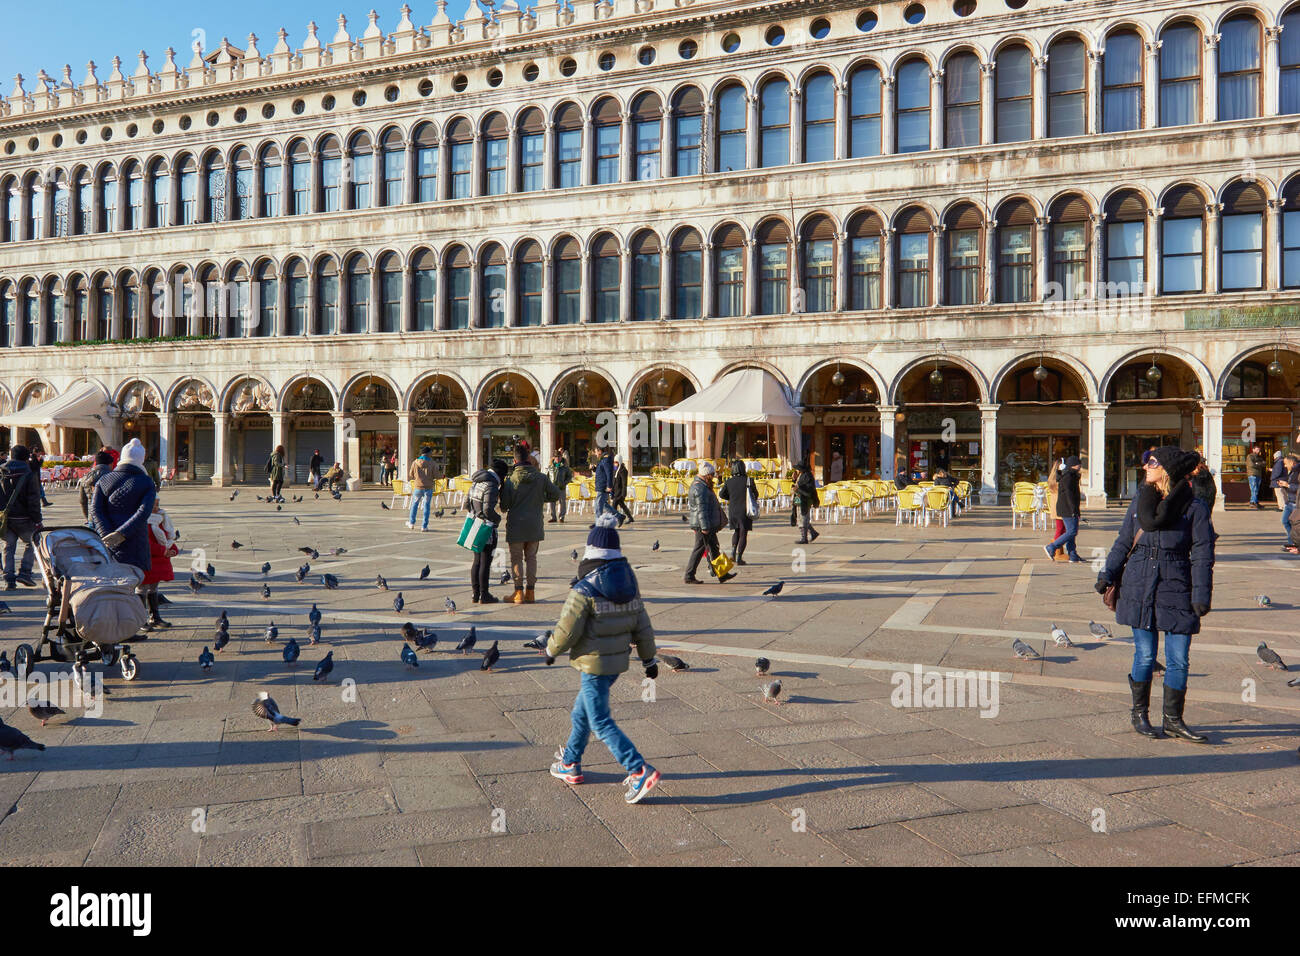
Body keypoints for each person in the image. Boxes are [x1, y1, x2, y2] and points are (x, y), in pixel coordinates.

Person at [1097, 446, 1212, 743]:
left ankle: (1173, 720)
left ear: (1168, 470)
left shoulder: (1194, 507)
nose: (1146, 466)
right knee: (1146, 655)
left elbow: (1202, 554)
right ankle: (1140, 715)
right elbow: (1124, 540)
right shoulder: (1140, 500)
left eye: (1153, 462)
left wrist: (1202, 594)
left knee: (1178, 659)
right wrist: (1107, 573)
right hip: (1140, 581)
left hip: (1177, 583)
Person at [546, 512, 661, 804]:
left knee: (599, 720)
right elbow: (643, 626)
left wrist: (550, 650)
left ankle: (638, 770)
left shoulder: (584, 589)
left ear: (590, 553)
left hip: (593, 664)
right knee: (581, 713)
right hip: (615, 664)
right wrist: (649, 660)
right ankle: (570, 763)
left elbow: (567, 630)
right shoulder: (629, 584)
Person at [500, 442, 561, 604]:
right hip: (535, 524)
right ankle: (531, 592)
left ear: (514, 461)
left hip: (516, 526)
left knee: (516, 558)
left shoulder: (510, 480)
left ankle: (518, 592)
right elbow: (556, 494)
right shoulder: (541, 478)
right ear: (529, 459)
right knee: (531, 558)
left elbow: (504, 506)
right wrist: (540, 499)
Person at [90, 438, 157, 577]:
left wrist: (106, 534)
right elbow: (143, 512)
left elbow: (96, 510)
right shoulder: (146, 482)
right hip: (135, 539)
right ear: (141, 459)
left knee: (110, 581)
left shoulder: (104, 480)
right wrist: (122, 534)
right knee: (132, 581)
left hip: (107, 539)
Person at [684, 461, 735, 584]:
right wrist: (705, 527)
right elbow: (701, 510)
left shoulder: (702, 485)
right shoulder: (699, 488)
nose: (713, 476)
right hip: (703, 525)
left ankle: (722, 574)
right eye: (712, 474)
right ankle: (689, 575)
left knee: (714, 548)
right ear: (706, 474)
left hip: (707, 524)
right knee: (699, 549)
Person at [466, 458, 508, 603]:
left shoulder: (477, 480)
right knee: (485, 561)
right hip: (485, 527)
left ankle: (475, 593)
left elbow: (467, 503)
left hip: (474, 525)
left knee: (476, 560)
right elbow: (487, 510)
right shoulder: (491, 484)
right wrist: (497, 520)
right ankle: (484, 594)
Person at [1, 445, 42, 590]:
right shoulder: (29, 474)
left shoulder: (2, 472)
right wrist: (37, 520)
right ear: (26, 458)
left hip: (5, 518)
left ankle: (9, 578)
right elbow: (33, 500)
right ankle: (25, 572)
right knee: (33, 541)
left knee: (8, 546)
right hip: (24, 518)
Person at [139, 498, 178, 631]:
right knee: (142, 589)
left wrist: (173, 550)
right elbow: (144, 543)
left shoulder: (160, 518)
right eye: (153, 505)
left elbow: (169, 537)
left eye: (157, 504)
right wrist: (163, 551)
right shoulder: (140, 521)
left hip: (160, 560)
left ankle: (154, 617)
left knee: (153, 588)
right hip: (147, 560)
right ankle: (140, 620)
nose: (156, 507)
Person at [718, 459, 758, 566]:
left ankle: (733, 552)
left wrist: (731, 497)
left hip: (733, 510)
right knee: (743, 533)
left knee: (736, 531)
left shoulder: (729, 481)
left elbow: (721, 494)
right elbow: (756, 494)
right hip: (745, 510)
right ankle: (739, 557)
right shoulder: (749, 480)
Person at [1044, 456, 1082, 562]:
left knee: (1070, 531)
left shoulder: (1069, 476)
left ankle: (1072, 555)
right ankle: (1052, 547)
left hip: (1066, 508)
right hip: (1067, 509)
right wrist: (1073, 509)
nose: (1080, 466)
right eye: (1079, 464)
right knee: (1070, 531)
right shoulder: (1068, 477)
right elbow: (1069, 495)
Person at [78, 450, 115, 524]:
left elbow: (82, 501)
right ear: (110, 464)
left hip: (92, 518)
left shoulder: (85, 477)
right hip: (108, 519)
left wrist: (88, 518)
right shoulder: (112, 477)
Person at [407, 444, 437, 531]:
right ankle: (424, 526)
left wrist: (417, 477)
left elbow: (411, 474)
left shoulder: (415, 462)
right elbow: (436, 475)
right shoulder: (432, 463)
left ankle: (411, 523)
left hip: (418, 487)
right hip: (428, 487)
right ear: (428, 453)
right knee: (426, 506)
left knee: (414, 505)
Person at [791, 459, 819, 544]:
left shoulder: (808, 476)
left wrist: (798, 489)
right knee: (800, 517)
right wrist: (794, 480)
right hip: (799, 499)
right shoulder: (802, 475)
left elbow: (809, 489)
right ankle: (812, 533)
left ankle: (804, 538)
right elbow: (798, 485)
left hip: (805, 500)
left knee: (803, 518)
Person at [1276, 453, 1299, 551]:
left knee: (1295, 524)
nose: (1285, 466)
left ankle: (1295, 543)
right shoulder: (1292, 471)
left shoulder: (1297, 472)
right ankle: (1292, 541)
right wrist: (1284, 485)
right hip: (1289, 501)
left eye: (1286, 464)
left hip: (1295, 502)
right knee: (1285, 521)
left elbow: (1298, 488)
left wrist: (1288, 485)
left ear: (1292, 463)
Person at [1046, 460, 1065, 560]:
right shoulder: (1059, 480)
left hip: (1056, 509)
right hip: (1061, 509)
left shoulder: (1053, 480)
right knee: (1062, 530)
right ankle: (1054, 550)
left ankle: (1058, 550)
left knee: (1062, 529)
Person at [547, 451, 573, 524]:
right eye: (556, 457)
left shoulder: (565, 467)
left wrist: (564, 483)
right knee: (552, 502)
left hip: (561, 487)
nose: (557, 458)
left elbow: (569, 476)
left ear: (561, 457)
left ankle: (561, 517)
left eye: (559, 456)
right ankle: (553, 517)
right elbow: (547, 477)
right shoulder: (550, 466)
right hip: (552, 487)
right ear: (554, 457)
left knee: (562, 502)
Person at [610, 455, 634, 526]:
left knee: (614, 505)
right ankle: (630, 517)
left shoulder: (623, 470)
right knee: (622, 505)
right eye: (614, 462)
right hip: (615, 491)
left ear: (620, 462)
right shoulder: (615, 469)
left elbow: (624, 483)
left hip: (620, 492)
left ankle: (618, 519)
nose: (615, 464)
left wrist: (623, 494)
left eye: (616, 462)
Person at [593, 448, 615, 518]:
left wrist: (609, 485)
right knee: (604, 504)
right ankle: (619, 516)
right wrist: (593, 469)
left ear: (600, 451)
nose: (595, 454)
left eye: (596, 452)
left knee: (598, 504)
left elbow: (609, 473)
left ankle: (598, 522)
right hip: (600, 484)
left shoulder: (606, 459)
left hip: (603, 485)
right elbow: (601, 471)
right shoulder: (602, 459)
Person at [1246, 444, 1266, 510]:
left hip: (1258, 475)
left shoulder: (1259, 457)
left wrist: (1258, 463)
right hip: (1252, 474)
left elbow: (1264, 464)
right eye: (1257, 449)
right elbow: (1251, 465)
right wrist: (1259, 464)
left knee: (1256, 490)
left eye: (1259, 450)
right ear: (1253, 449)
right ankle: (1255, 502)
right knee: (1254, 489)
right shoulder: (1250, 456)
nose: (1258, 451)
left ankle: (1253, 502)